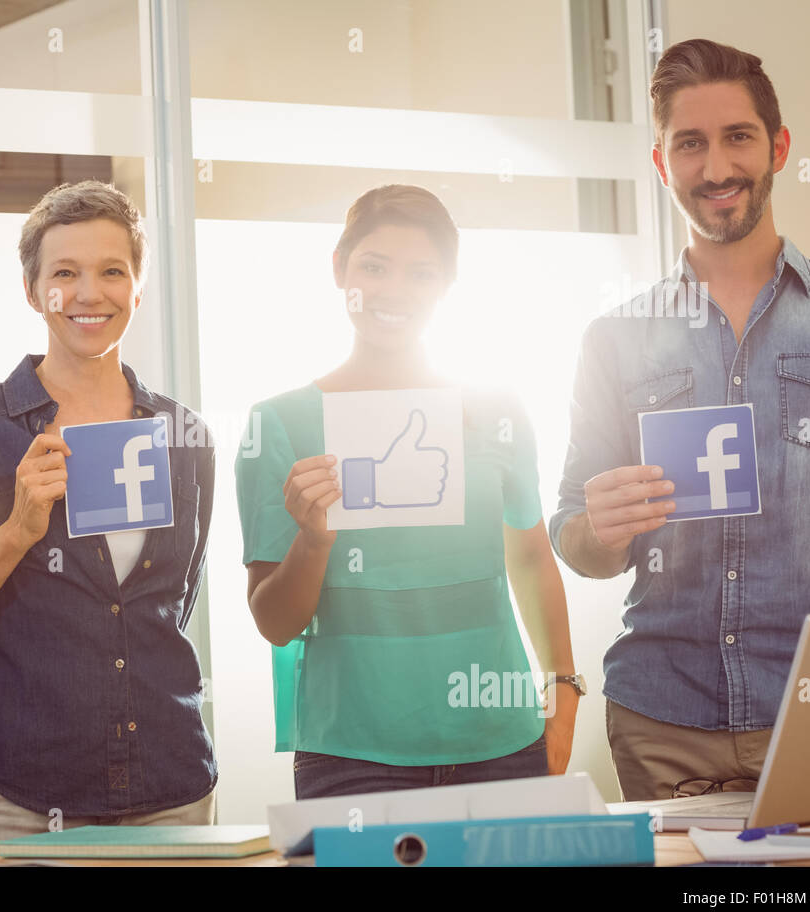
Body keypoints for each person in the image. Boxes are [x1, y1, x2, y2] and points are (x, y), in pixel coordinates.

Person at [550, 39, 810, 800]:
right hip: (663, 718)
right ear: (662, 163)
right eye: (690, 144)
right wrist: (603, 526)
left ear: (778, 147)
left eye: (738, 137)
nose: (716, 168)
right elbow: (575, 540)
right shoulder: (612, 339)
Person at [235, 184, 579, 800]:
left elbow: (529, 557)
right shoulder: (278, 425)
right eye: (374, 266)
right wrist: (314, 542)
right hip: (351, 756)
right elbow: (275, 622)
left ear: (448, 285)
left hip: (500, 742)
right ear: (340, 270)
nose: (395, 291)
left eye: (422, 273)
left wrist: (564, 692)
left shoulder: (496, 406)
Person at [0, 181, 216, 850]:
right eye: (64, 273)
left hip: (169, 787)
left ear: (138, 285)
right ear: (33, 290)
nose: (89, 294)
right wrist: (17, 529)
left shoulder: (184, 435)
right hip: (14, 793)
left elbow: (172, 604)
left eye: (112, 271)